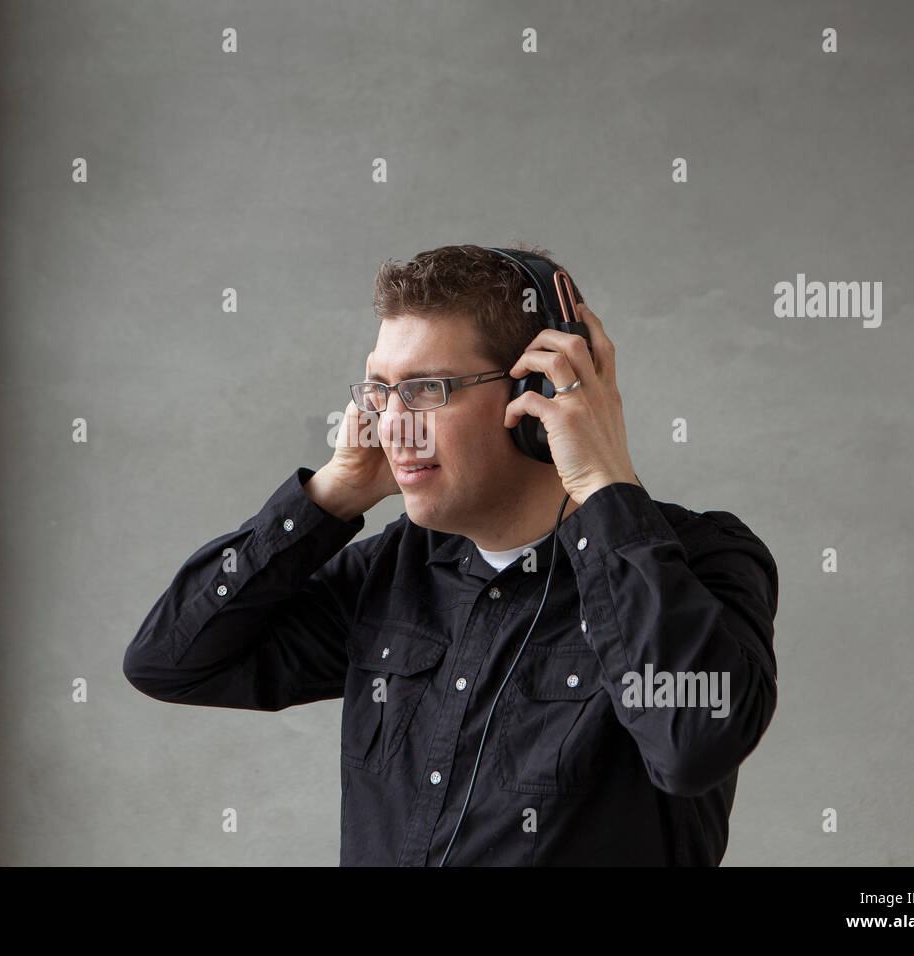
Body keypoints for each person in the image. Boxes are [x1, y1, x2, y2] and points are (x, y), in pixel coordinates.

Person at [124, 243, 779, 865]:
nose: (391, 425)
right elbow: (168, 661)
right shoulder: (394, 571)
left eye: (425, 390)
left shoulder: (700, 560)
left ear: (535, 396)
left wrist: (602, 483)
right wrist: (331, 494)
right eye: (380, 391)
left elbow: (693, 745)